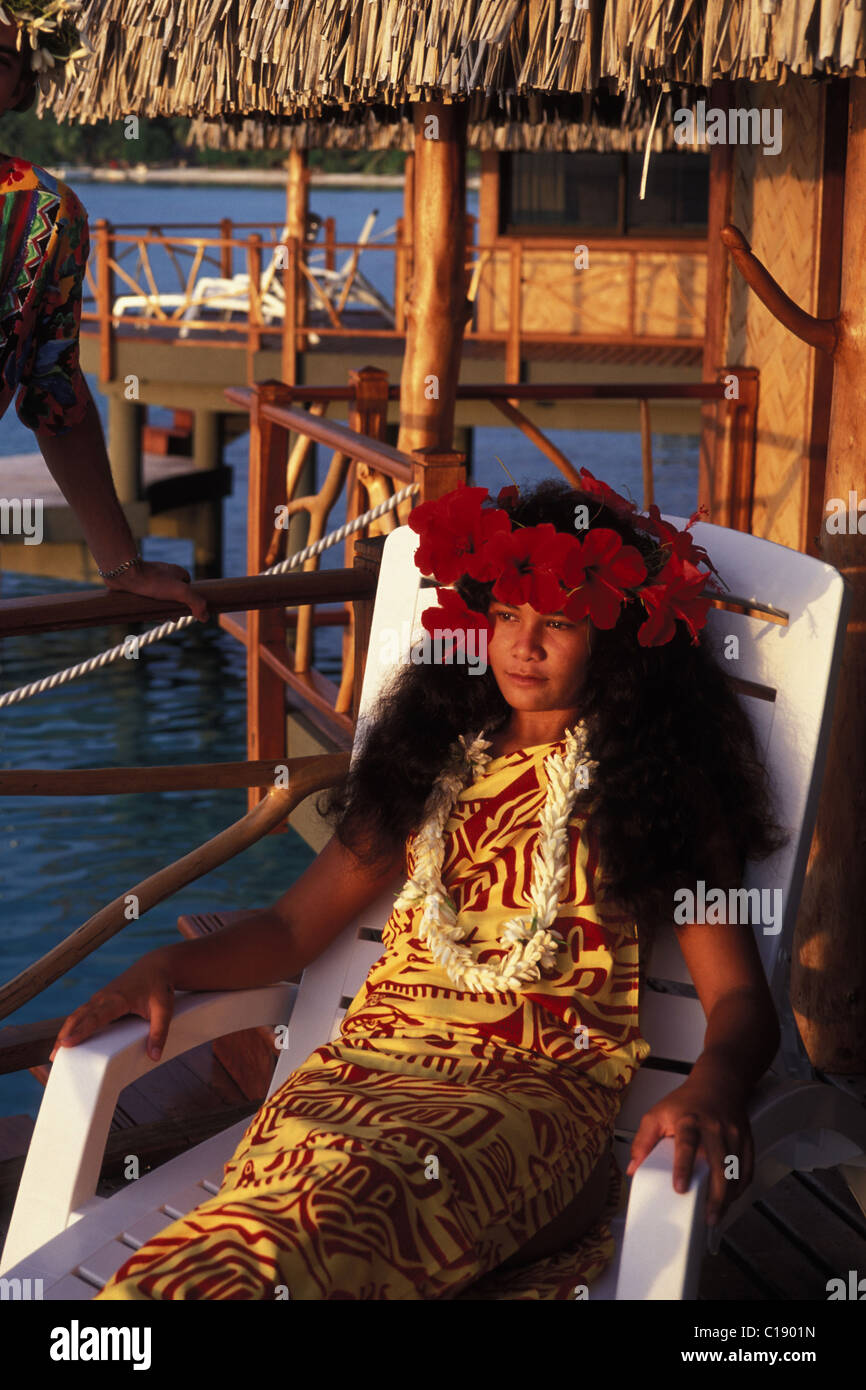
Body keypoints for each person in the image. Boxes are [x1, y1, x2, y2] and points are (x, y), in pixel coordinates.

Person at [50, 474, 787, 1300]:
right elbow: (292, 931)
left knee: (336, 1211)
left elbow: (740, 1003)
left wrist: (713, 1081)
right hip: (356, 1079)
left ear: (614, 640)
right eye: (506, 616)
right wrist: (168, 968)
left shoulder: (658, 788)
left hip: (527, 1106)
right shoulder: (430, 759)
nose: (523, 645)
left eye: (560, 624)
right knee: (280, 1208)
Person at [0, 8, 206, 621]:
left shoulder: (47, 214)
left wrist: (122, 563)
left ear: (19, 86)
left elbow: (53, 389)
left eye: (0, 60)